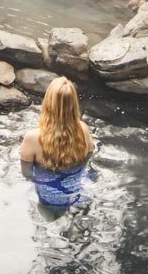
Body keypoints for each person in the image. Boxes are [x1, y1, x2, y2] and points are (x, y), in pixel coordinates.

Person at [20, 76, 95, 208]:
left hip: (49, 196)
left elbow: (26, 173)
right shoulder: (83, 129)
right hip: (78, 191)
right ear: (74, 104)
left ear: (48, 103)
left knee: (49, 219)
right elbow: (89, 155)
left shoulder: (32, 138)